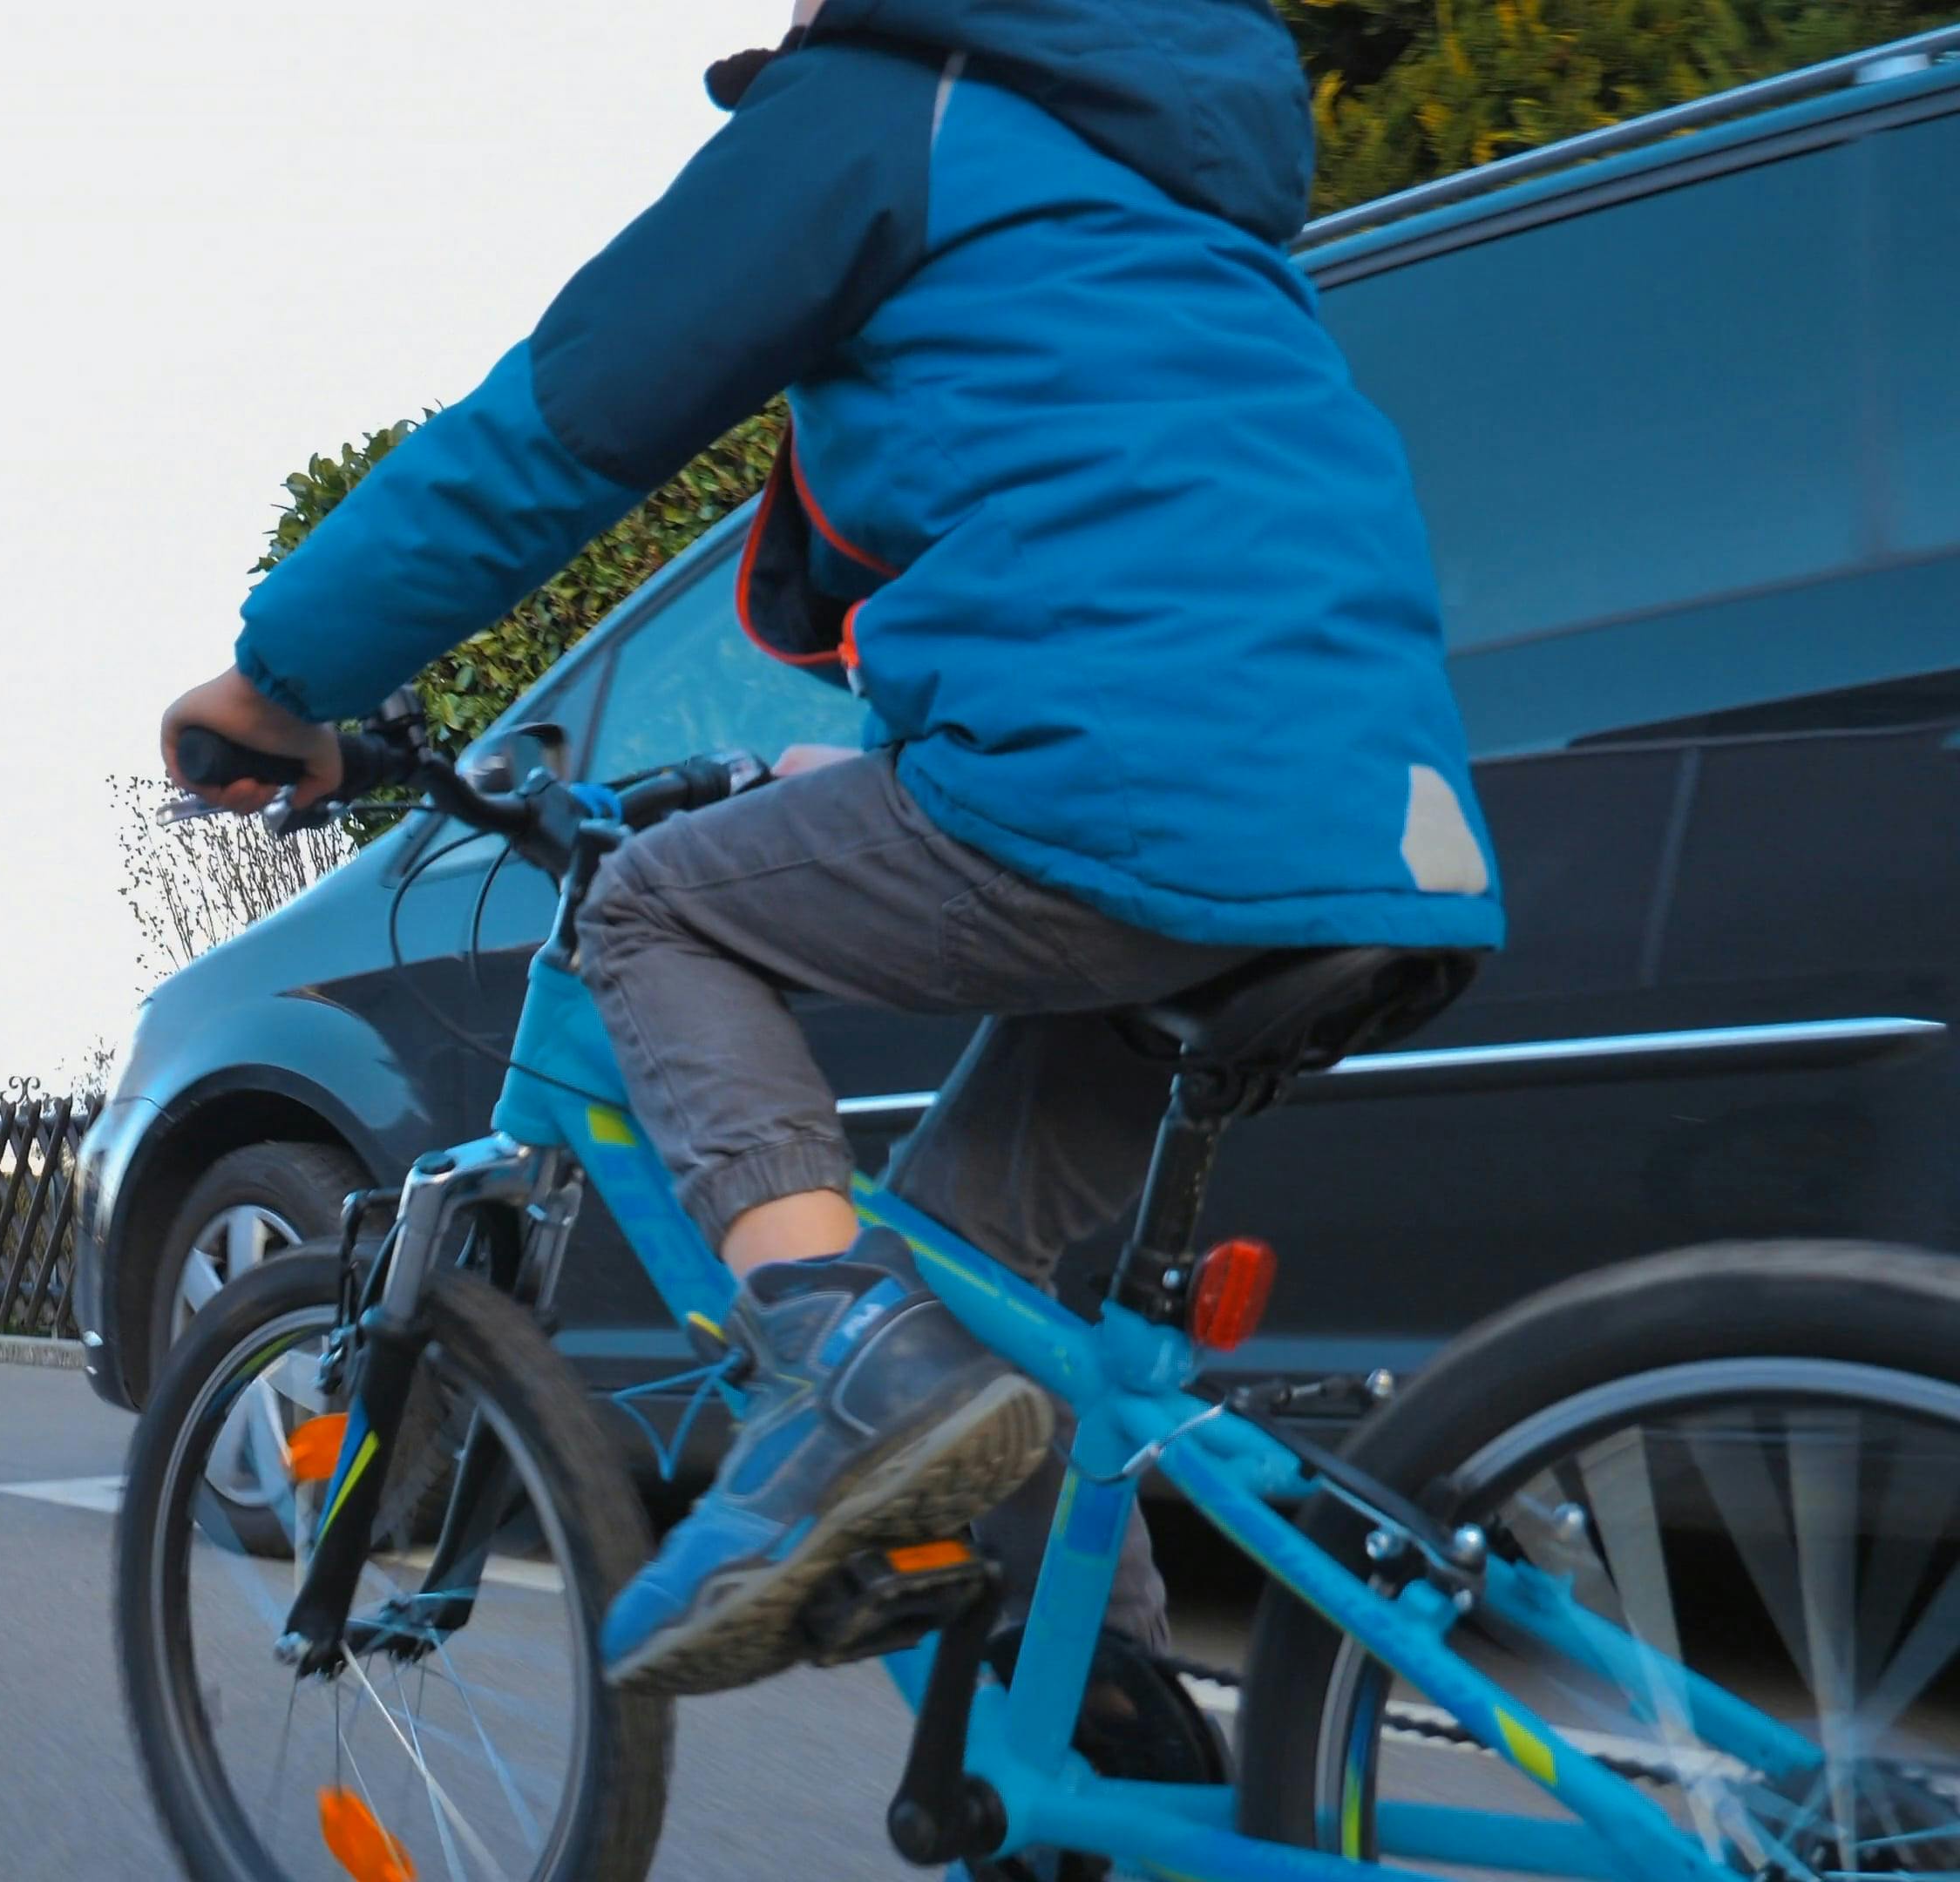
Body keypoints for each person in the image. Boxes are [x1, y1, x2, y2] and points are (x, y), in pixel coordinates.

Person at [161, 0, 1502, 1700]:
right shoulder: (1169, 171)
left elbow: (551, 433)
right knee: (975, 1271)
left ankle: (841, 1353)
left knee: (650, 915)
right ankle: (1099, 1737)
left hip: (1124, 788)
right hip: (1379, 828)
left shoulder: (895, 107)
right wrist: (880, 759)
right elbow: (1135, 550)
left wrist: (284, 681)